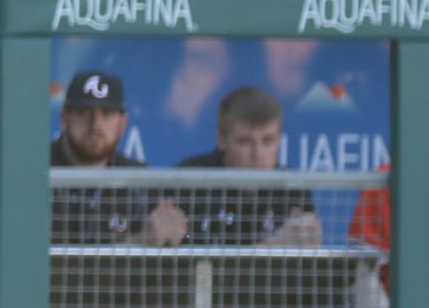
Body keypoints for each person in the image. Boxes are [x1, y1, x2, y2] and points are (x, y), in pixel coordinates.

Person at [51, 71, 187, 249]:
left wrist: (173, 230)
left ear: (122, 124)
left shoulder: (140, 182)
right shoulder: (36, 169)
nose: (95, 125)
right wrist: (138, 243)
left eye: (107, 114)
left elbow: (180, 245)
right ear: (64, 118)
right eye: (84, 112)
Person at [174, 87, 320, 248]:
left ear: (279, 141)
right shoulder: (190, 180)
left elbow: (308, 265)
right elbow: (184, 265)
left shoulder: (293, 187)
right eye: (245, 141)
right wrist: (274, 246)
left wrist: (310, 242)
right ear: (221, 141)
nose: (257, 154)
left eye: (267, 141)